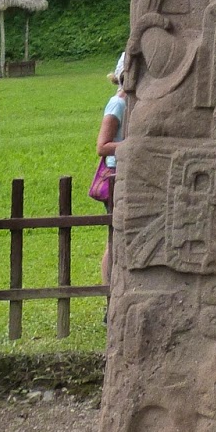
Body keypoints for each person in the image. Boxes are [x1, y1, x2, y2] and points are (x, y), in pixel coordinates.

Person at [97, 51, 128, 287]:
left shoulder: (131, 104)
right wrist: (132, 147)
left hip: (128, 172)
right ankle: (109, 291)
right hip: (115, 174)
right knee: (114, 237)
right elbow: (103, 146)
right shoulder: (118, 103)